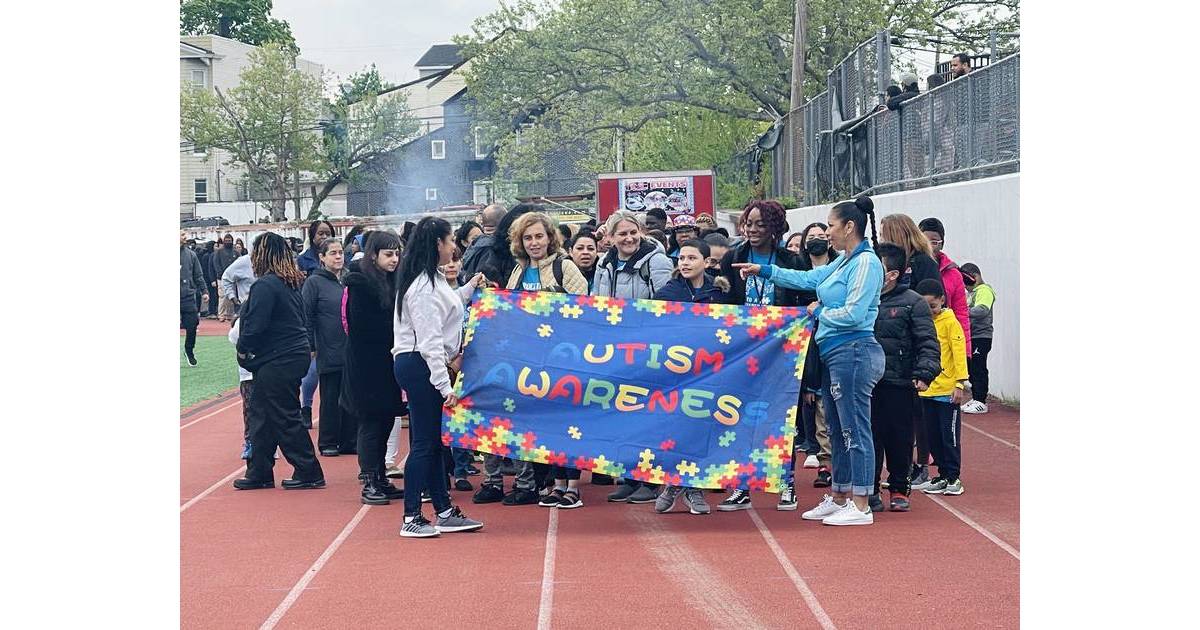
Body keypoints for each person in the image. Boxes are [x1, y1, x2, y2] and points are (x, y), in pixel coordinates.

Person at [734, 195, 885, 526]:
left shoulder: (866, 264)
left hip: (854, 351)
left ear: (849, 226)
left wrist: (819, 311)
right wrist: (765, 270)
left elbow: (854, 313)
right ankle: (842, 494)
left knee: (854, 429)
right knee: (836, 427)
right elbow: (808, 280)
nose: (826, 233)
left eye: (830, 226)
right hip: (835, 352)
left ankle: (861, 504)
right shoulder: (844, 261)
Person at [484, 212, 589, 508]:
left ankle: (573, 487)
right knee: (546, 424)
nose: (534, 243)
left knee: (569, 423)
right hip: (532, 360)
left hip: (565, 358)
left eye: (539, 236)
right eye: (527, 238)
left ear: (550, 238)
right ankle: (554, 483)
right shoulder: (518, 271)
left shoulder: (564, 266)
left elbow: (585, 308)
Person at [393, 217, 487, 537]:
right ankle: (411, 517)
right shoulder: (422, 286)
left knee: (434, 443)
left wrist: (470, 288)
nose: (454, 247)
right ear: (437, 244)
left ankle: (444, 511)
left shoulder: (433, 279)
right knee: (424, 443)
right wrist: (444, 385)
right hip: (420, 364)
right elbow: (430, 341)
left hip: (424, 364)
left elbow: (451, 307)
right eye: (450, 241)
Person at [717, 199, 803, 511]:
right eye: (748, 224)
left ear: (775, 227)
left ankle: (786, 483)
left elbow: (805, 300)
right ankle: (741, 486)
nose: (751, 230)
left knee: (782, 418)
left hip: (783, 353)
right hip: (743, 354)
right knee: (739, 417)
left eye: (759, 224)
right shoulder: (733, 257)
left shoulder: (791, 261)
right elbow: (723, 301)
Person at [232, 232, 325, 491]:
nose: (251, 258)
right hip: (291, 355)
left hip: (278, 359)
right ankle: (259, 470)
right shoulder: (290, 282)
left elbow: (255, 326)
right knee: (261, 414)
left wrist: (243, 350)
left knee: (283, 415)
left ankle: (308, 470)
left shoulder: (265, 285)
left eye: (254, 252)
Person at [592, 210, 673, 500]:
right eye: (622, 233)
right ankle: (629, 476)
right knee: (622, 414)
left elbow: (667, 305)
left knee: (648, 415)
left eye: (632, 232)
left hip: (648, 350)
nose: (629, 238)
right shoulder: (605, 263)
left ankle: (650, 481)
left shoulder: (657, 262)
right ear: (611, 237)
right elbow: (597, 302)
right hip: (616, 350)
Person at [653, 239, 731, 515]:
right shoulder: (667, 293)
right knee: (677, 430)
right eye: (681, 258)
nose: (684, 262)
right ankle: (677, 483)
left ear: (706, 262)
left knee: (701, 429)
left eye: (691, 258)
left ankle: (690, 487)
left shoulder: (720, 291)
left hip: (711, 373)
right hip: (676, 375)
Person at [870, 244, 941, 513]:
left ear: (892, 274)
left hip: (899, 382)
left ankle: (899, 487)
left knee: (899, 438)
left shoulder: (913, 302)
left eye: (877, 270)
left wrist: (924, 373)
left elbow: (927, 341)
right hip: (867, 381)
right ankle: (870, 489)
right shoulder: (861, 298)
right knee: (870, 438)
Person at [341, 231, 407, 505]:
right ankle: (369, 479)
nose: (394, 259)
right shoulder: (362, 284)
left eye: (397, 254)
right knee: (371, 422)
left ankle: (380, 476)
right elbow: (364, 328)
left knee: (385, 420)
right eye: (389, 254)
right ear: (373, 255)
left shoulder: (391, 281)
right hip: (367, 366)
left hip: (385, 363)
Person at [791, 222, 841, 488]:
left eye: (823, 235)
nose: (818, 240)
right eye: (812, 237)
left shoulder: (841, 267)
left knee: (834, 411)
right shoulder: (798, 272)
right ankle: (824, 462)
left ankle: (839, 467)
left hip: (834, 343)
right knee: (817, 410)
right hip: (806, 346)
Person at [914, 278, 969, 496]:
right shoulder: (921, 323)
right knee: (932, 435)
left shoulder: (949, 322)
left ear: (942, 301)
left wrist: (959, 383)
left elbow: (958, 352)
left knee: (949, 436)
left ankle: (954, 477)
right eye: (925, 307)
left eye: (933, 306)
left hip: (947, 390)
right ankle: (943, 475)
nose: (930, 311)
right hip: (927, 389)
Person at [303, 238, 355, 458]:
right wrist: (312, 346)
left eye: (340, 252)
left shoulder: (347, 280)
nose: (338, 256)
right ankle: (328, 441)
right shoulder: (314, 283)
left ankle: (349, 440)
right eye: (332, 253)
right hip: (328, 347)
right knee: (331, 395)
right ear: (321, 258)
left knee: (351, 395)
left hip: (350, 348)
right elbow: (307, 316)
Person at [918, 217, 972, 356]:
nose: (929, 245)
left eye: (934, 241)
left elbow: (961, 314)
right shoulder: (909, 267)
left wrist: (965, 353)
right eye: (924, 240)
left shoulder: (954, 274)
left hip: (946, 346)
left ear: (942, 244)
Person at [959, 263, 995, 414]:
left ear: (976, 276)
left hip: (982, 336)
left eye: (967, 282)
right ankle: (975, 397)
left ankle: (981, 400)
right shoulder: (972, 293)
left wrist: (963, 311)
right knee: (972, 367)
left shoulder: (984, 290)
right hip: (972, 336)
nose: (966, 287)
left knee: (979, 367)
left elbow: (982, 310)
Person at [879, 214, 941, 291]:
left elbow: (933, 296)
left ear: (896, 236)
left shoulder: (923, 262)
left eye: (883, 235)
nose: (880, 240)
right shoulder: (883, 260)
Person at [228, 319, 255, 459]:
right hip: (248, 374)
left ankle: (269, 443)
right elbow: (233, 337)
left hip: (265, 372)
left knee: (263, 409)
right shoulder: (242, 319)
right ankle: (250, 442)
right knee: (250, 409)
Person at [180, 230, 205, 367]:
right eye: (183, 235)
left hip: (187, 295)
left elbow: (198, 275)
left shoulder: (191, 255)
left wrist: (204, 291)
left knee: (193, 323)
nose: (186, 237)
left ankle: (189, 350)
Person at [221, 242, 256, 319]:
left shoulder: (274, 263)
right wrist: (232, 297)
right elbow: (226, 278)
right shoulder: (243, 262)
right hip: (247, 307)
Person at [211, 234, 239, 322]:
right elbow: (216, 264)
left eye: (229, 240)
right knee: (222, 297)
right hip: (221, 278)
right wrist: (220, 274)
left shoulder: (236, 252)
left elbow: (239, 264)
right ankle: (221, 314)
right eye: (226, 240)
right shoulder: (219, 252)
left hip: (233, 278)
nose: (228, 242)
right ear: (223, 241)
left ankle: (230, 314)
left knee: (231, 296)